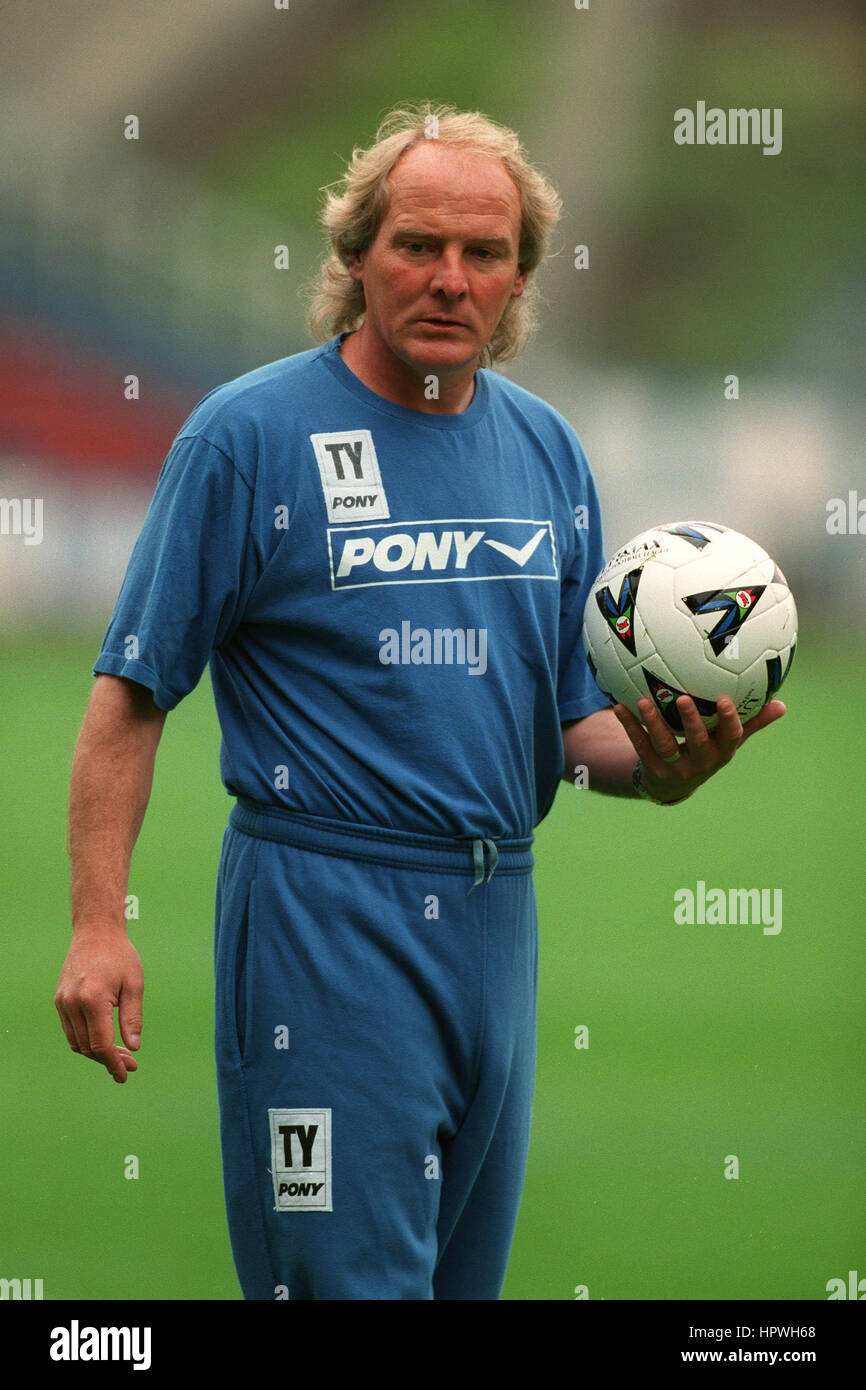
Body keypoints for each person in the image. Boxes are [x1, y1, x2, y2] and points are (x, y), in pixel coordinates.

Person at [54, 103, 785, 1300]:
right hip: (322, 920)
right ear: (354, 256)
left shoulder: (547, 451)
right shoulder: (245, 439)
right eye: (417, 245)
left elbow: (569, 728)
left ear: (518, 277)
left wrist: (661, 764)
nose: (450, 280)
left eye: (483, 254)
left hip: (499, 915)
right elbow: (130, 694)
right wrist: (97, 922)